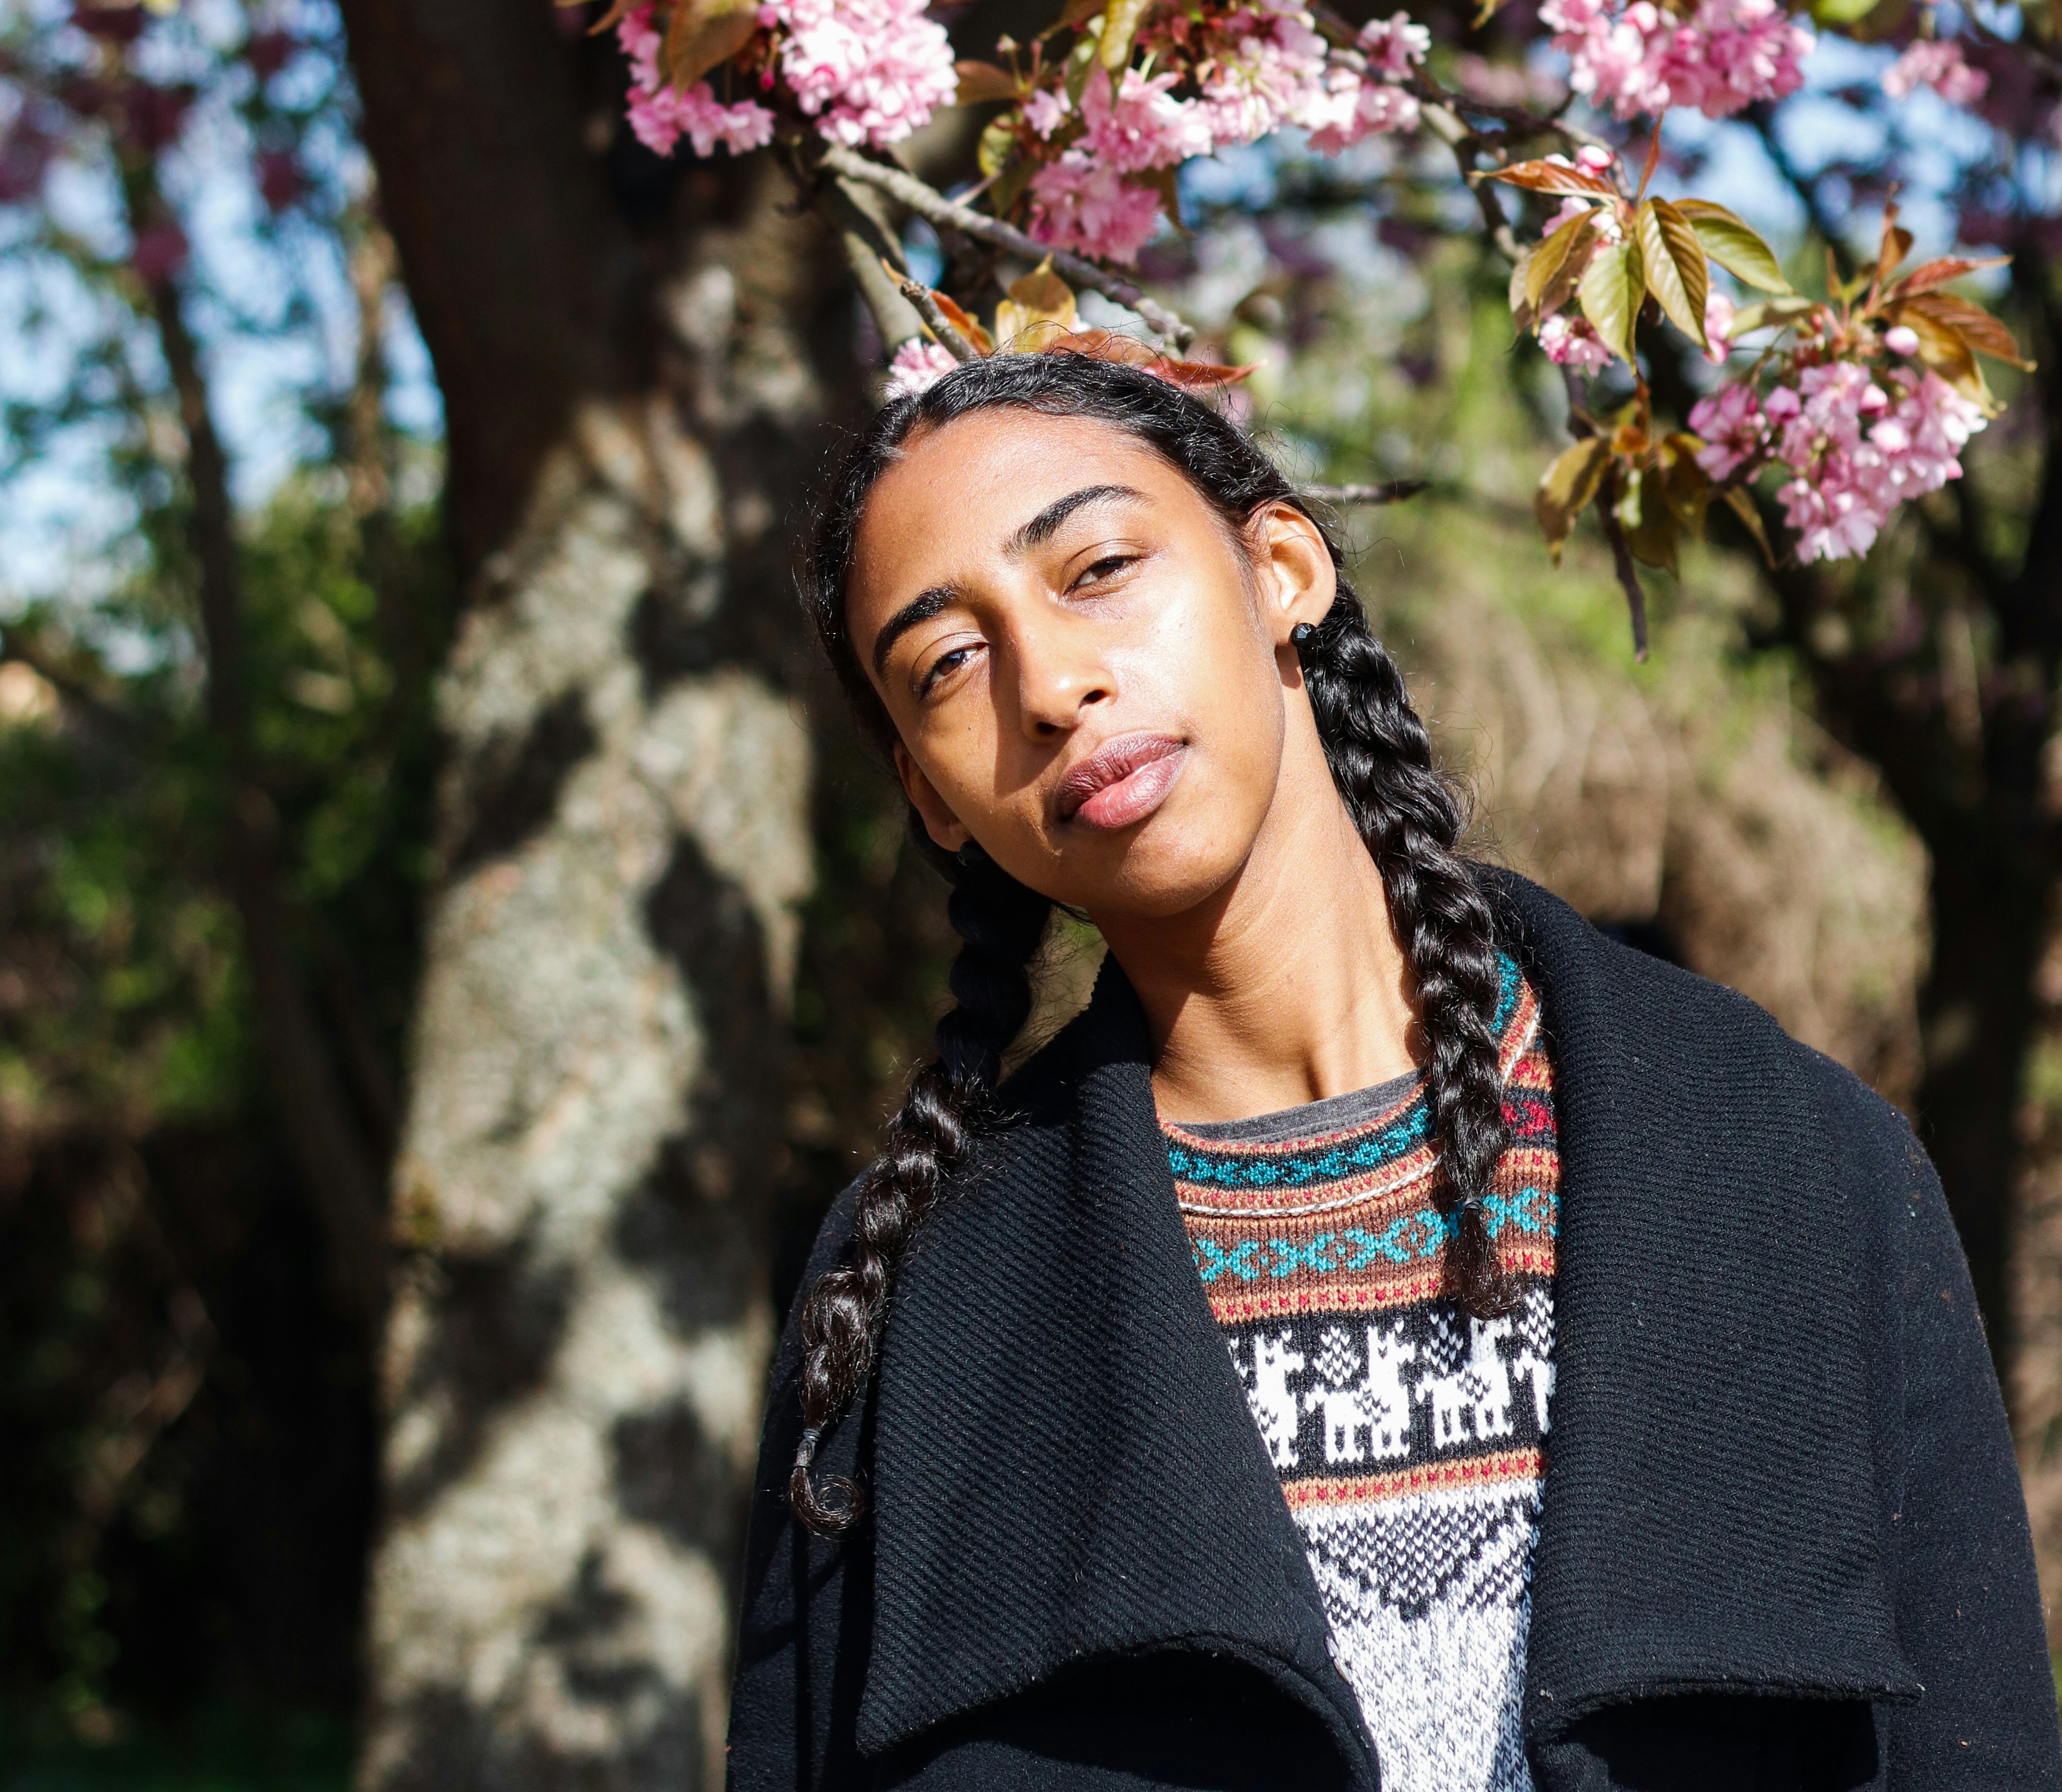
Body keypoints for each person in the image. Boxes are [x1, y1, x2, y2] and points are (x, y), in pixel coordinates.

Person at [728, 345, 2061, 1792]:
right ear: (931, 792)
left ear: (1282, 566)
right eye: (947, 664)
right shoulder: (909, 1305)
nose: (1051, 686)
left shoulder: (1788, 1161)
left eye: (1100, 567)